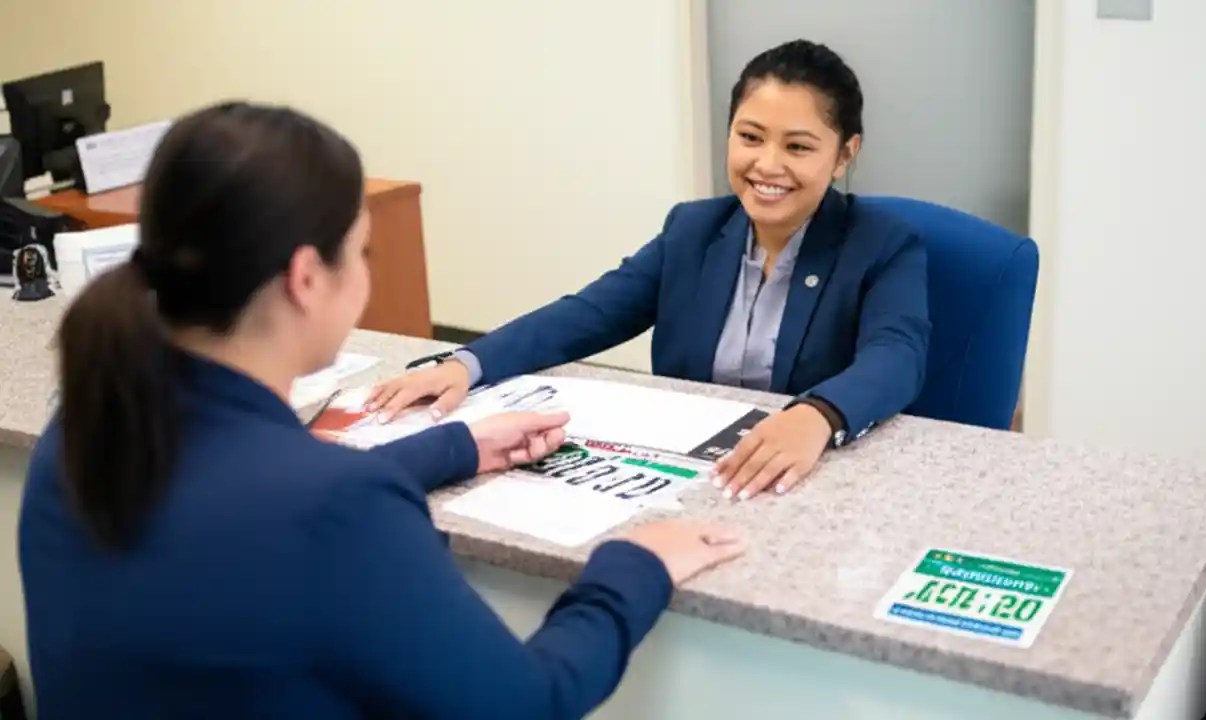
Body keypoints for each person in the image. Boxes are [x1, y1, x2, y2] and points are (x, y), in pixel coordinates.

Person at [18, 102, 744, 719]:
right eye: (360, 252)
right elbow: (529, 703)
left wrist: (455, 446)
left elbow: (247, 510)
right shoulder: (333, 511)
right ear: (307, 277)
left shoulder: (80, 432)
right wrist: (633, 564)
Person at [369, 39, 930, 500]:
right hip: (692, 479)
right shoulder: (693, 231)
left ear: (844, 154)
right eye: (750, 137)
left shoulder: (883, 244)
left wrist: (819, 416)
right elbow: (586, 315)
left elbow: (897, 356)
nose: (767, 165)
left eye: (799, 147)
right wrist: (467, 363)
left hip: (806, 482)